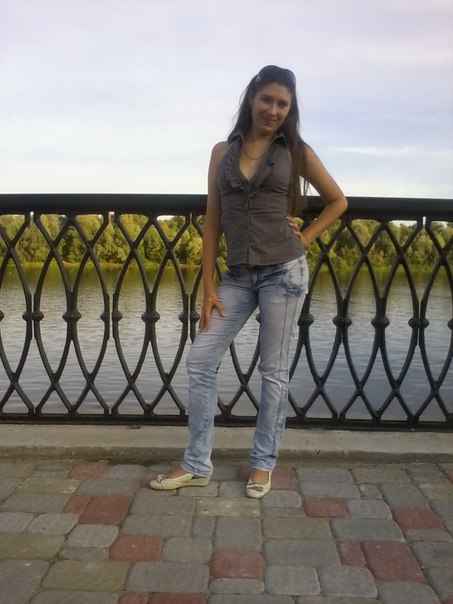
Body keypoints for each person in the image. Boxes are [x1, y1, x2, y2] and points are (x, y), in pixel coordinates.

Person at [150, 65, 348, 498]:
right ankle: (196, 463)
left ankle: (262, 464)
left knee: (272, 372)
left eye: (283, 104)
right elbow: (212, 220)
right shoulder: (222, 151)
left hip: (284, 272)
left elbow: (338, 201)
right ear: (252, 98)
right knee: (200, 360)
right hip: (237, 276)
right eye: (267, 100)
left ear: (289, 110)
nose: (273, 110)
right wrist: (207, 286)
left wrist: (306, 236)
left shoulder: (296, 151)